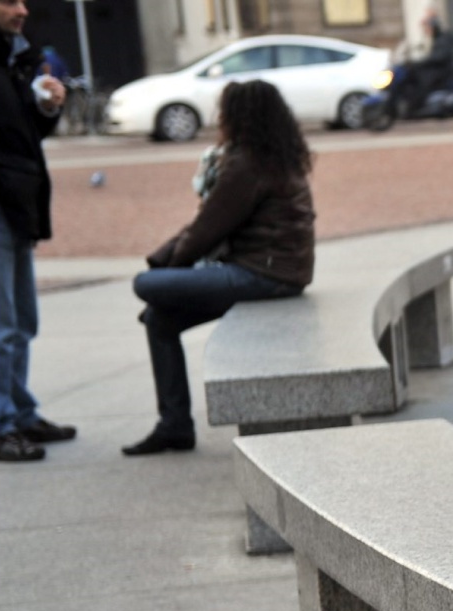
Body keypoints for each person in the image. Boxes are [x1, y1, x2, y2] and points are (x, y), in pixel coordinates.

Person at [123, 80, 314, 456]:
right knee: (159, 320)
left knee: (146, 286)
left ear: (240, 117)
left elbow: (206, 229)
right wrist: (168, 266)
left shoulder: (248, 164)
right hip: (279, 272)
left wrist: (162, 269)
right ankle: (174, 426)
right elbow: (208, 225)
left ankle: (174, 424)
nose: (219, 118)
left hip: (264, 275)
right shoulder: (276, 157)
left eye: (223, 111)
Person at [0, 0, 75, 463]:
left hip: (17, 200)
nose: (22, 10)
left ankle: (19, 413)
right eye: (8, 1)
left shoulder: (14, 59)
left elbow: (20, 133)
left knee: (21, 320)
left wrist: (44, 109)